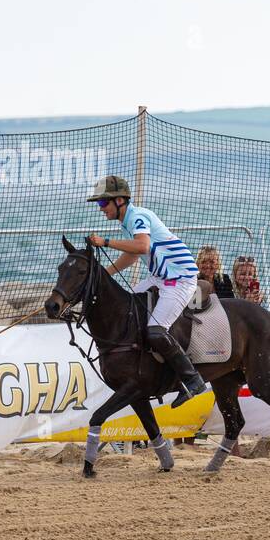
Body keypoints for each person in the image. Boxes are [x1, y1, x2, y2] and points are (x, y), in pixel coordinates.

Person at [85, 175, 207, 408]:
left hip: (179, 278)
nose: (101, 209)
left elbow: (142, 246)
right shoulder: (128, 220)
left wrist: (106, 242)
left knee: (156, 331)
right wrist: (104, 275)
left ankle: (192, 380)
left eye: (103, 203)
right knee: (128, 307)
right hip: (160, 277)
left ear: (120, 200)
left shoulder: (137, 216)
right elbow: (134, 254)